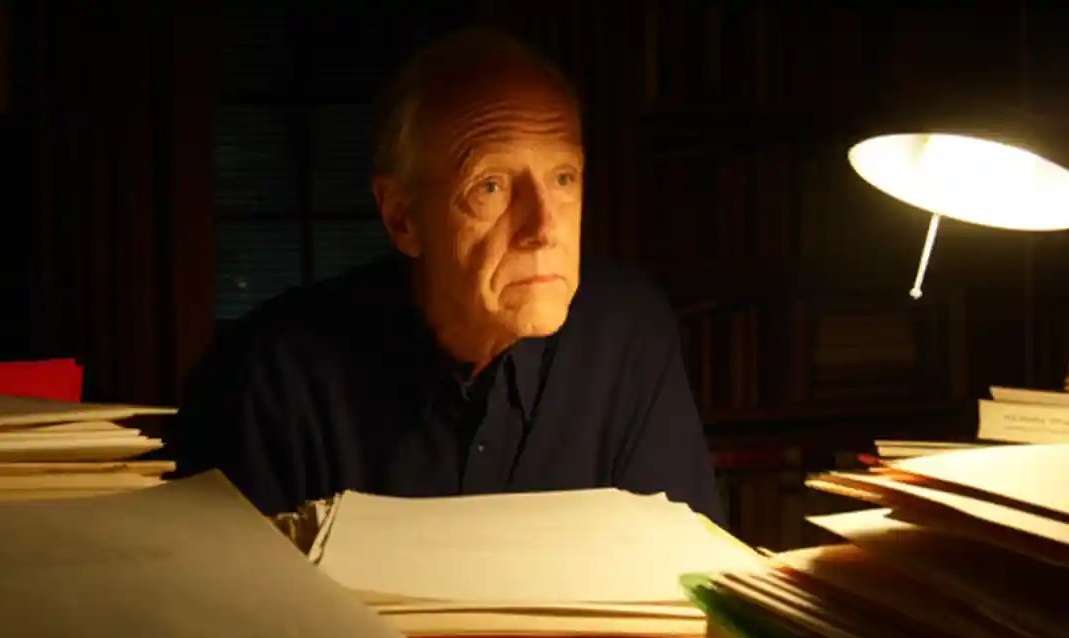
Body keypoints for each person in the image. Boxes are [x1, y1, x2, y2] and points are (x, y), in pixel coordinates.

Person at [171, 27, 724, 525]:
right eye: (491, 186)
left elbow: (686, 579)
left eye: (562, 178)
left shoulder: (627, 336)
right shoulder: (271, 377)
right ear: (402, 219)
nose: (543, 228)